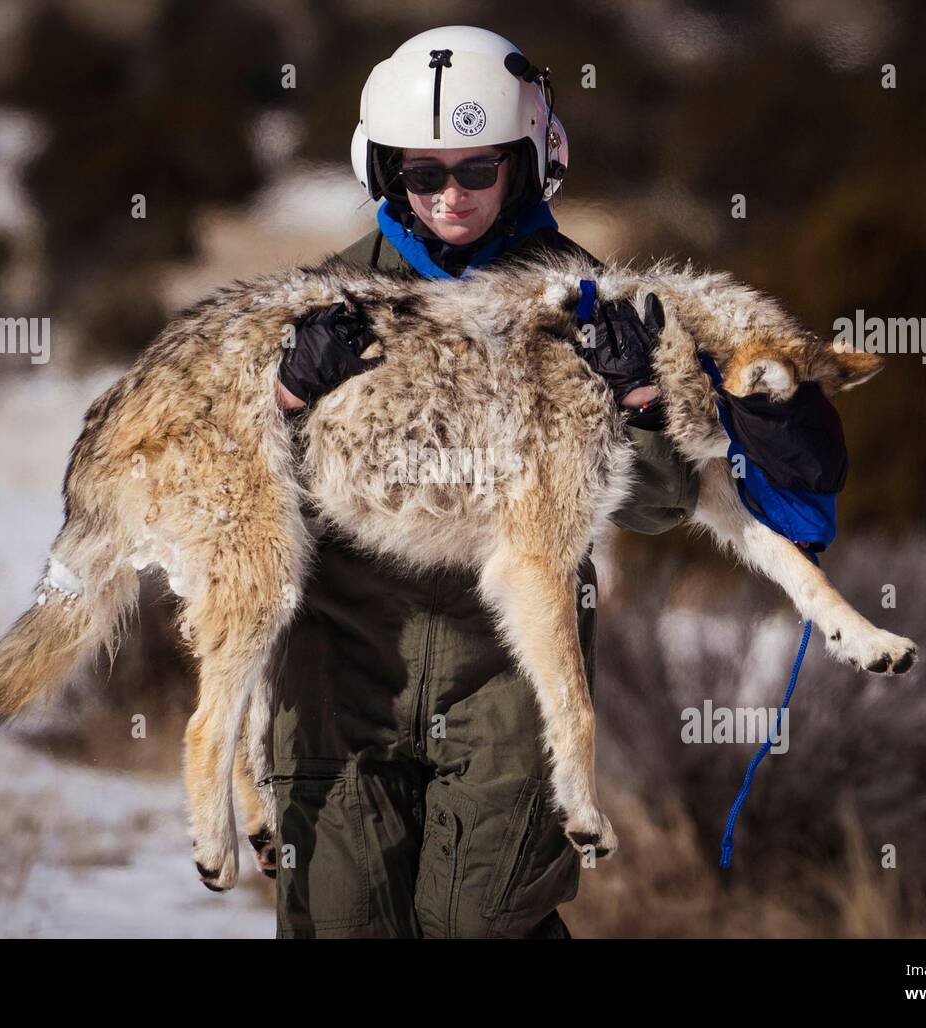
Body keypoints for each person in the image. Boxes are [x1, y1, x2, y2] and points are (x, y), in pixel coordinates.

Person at [265, 25, 699, 939]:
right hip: (342, 688)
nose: (450, 197)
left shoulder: (592, 302)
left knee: (488, 927)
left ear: (529, 163)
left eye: (476, 170)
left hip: (505, 698)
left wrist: (647, 402)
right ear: (384, 173)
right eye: (423, 175)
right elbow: (241, 491)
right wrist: (284, 395)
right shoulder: (323, 301)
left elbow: (663, 506)